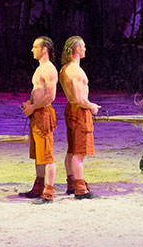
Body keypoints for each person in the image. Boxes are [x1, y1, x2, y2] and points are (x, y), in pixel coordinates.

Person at [59, 36, 101, 199]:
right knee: (79, 152)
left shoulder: (65, 69)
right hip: (79, 111)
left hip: (72, 109)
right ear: (77, 49)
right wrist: (91, 106)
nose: (85, 49)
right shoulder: (74, 71)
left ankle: (71, 184)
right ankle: (80, 188)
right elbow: (79, 98)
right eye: (83, 46)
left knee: (72, 150)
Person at [20, 36, 59, 204]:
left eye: (35, 47)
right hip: (36, 113)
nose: (32, 50)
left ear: (44, 49)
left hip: (43, 114)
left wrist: (34, 107)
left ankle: (49, 191)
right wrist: (30, 103)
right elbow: (37, 91)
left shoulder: (49, 69)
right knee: (38, 154)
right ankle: (38, 186)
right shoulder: (39, 69)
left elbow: (50, 96)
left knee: (47, 155)